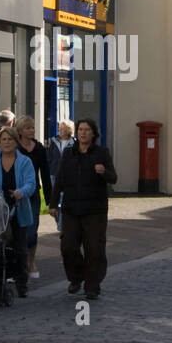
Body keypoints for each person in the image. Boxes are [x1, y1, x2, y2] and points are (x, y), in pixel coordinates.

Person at [50, 118, 117, 299]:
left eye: (87, 130)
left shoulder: (102, 153)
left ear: (93, 133)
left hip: (95, 210)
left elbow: (113, 178)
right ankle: (76, 278)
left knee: (94, 249)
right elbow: (60, 179)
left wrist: (104, 172)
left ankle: (92, 285)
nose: (83, 133)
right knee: (68, 246)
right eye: (80, 129)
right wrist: (53, 204)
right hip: (71, 208)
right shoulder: (69, 154)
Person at [0, 127, 36, 297]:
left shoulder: (24, 162)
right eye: (3, 139)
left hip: (17, 209)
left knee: (19, 248)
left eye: (10, 139)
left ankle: (21, 282)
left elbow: (31, 183)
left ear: (16, 142)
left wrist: (21, 192)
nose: (7, 143)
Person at [14, 115, 53, 282]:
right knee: (16, 229)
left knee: (32, 231)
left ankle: (31, 262)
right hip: (15, 193)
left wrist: (50, 200)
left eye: (33, 127)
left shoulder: (39, 149)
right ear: (21, 130)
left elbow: (45, 173)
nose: (32, 130)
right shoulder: (14, 148)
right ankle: (18, 264)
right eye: (28, 128)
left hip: (33, 194)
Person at [46, 119, 74, 188]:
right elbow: (49, 157)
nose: (59, 130)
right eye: (59, 128)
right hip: (54, 172)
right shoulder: (54, 141)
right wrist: (49, 170)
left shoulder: (74, 143)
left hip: (69, 173)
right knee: (55, 193)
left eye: (62, 129)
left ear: (68, 130)